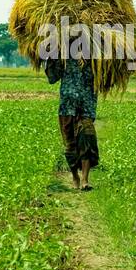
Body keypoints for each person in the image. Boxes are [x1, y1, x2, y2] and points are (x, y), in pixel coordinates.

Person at [44, 50, 99, 191]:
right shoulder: (63, 58)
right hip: (67, 108)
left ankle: (85, 180)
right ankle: (75, 176)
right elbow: (52, 79)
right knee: (70, 145)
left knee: (87, 139)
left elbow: (106, 78)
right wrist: (50, 58)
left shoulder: (94, 59)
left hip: (86, 107)